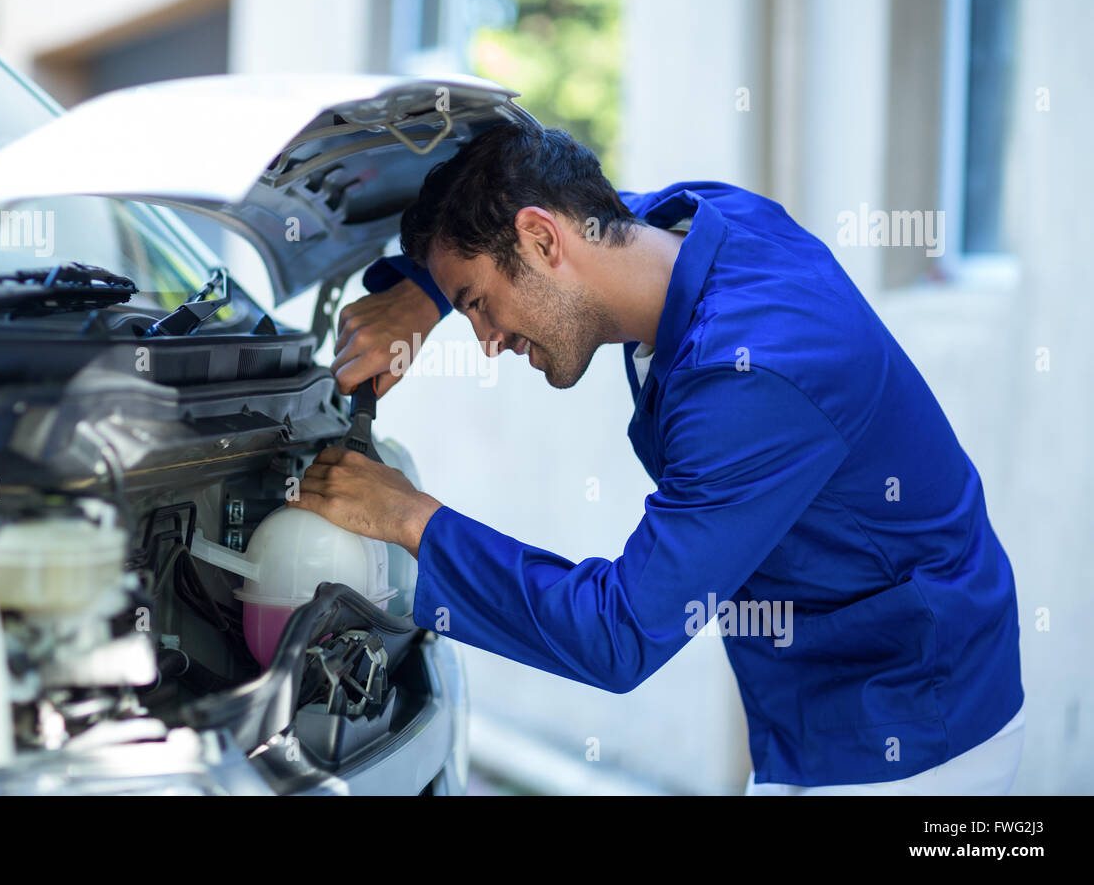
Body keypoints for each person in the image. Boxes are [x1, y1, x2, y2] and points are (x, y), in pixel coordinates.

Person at [285, 122, 1025, 793]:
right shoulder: (692, 221)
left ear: (543, 242)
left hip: (910, 730)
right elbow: (575, 205)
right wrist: (427, 295)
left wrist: (413, 519)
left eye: (479, 302)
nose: (486, 340)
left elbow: (618, 634)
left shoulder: (751, 377)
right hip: (825, 694)